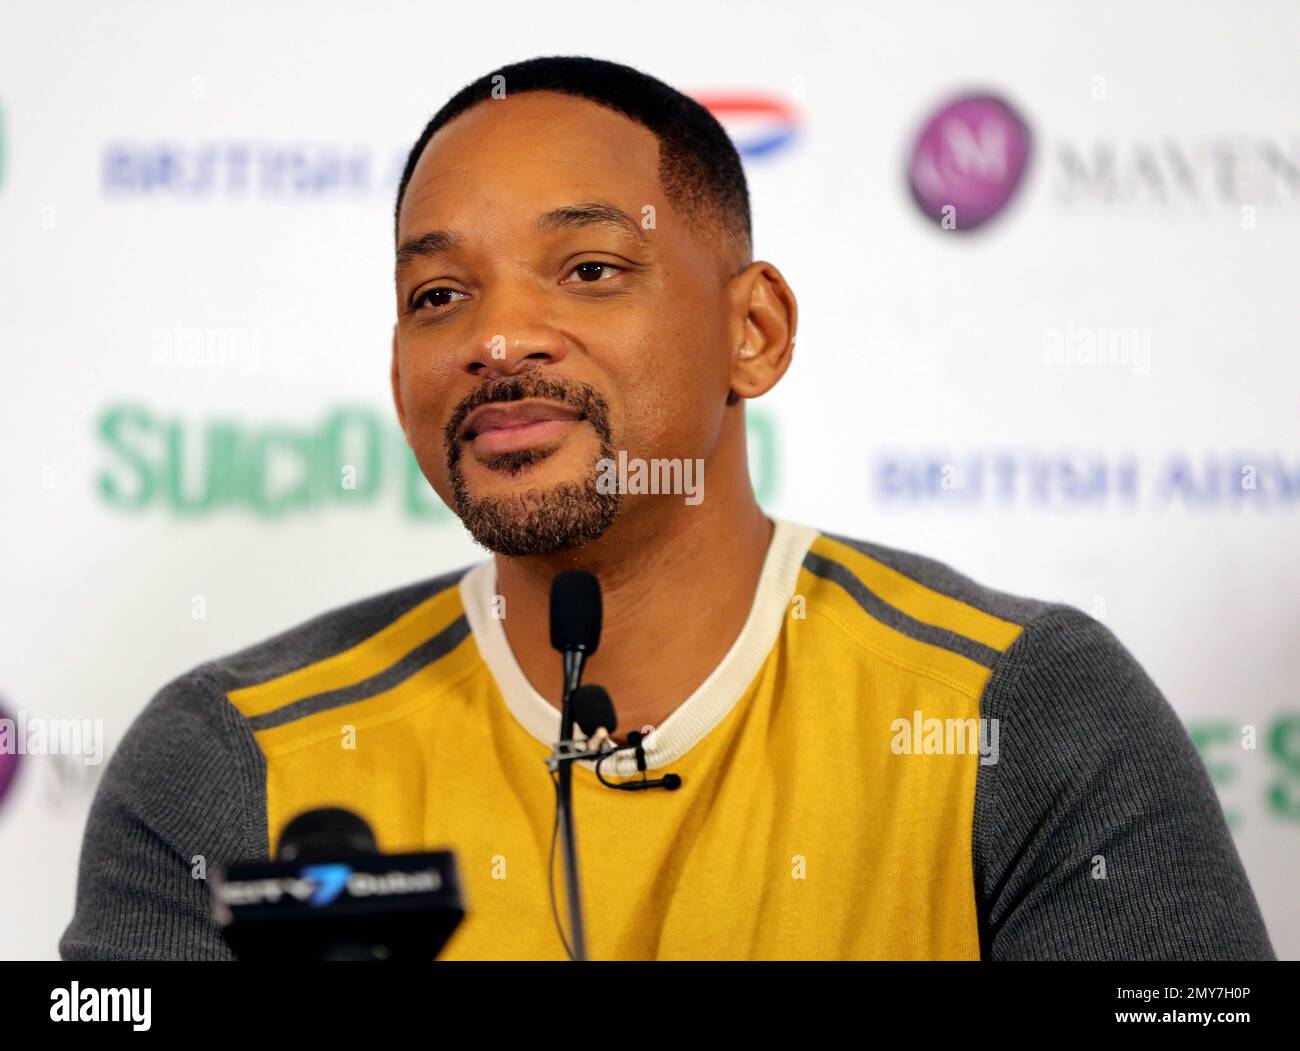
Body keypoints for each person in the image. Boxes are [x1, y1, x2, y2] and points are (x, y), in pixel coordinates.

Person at [61, 55, 1274, 961]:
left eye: (588, 270)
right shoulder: (234, 761)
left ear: (753, 332)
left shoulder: (1026, 708)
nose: (495, 338)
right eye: (437, 294)